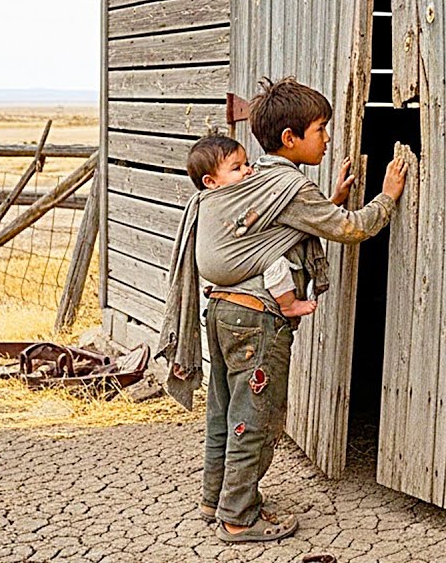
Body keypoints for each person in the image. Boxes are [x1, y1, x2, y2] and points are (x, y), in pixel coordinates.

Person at [156, 76, 408, 544]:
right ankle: (239, 518)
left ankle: (217, 499)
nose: (328, 138)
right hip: (257, 321)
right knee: (257, 417)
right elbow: (353, 229)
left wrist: (326, 200)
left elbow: (280, 225)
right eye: (321, 129)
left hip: (221, 313)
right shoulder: (287, 185)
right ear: (290, 139)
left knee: (223, 412)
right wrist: (388, 195)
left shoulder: (255, 181)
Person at [184, 134, 319, 319]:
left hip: (212, 273)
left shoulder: (209, 201)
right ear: (210, 182)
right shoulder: (232, 197)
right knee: (275, 261)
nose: (247, 170)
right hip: (227, 265)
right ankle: (288, 304)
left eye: (246, 164)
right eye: (236, 168)